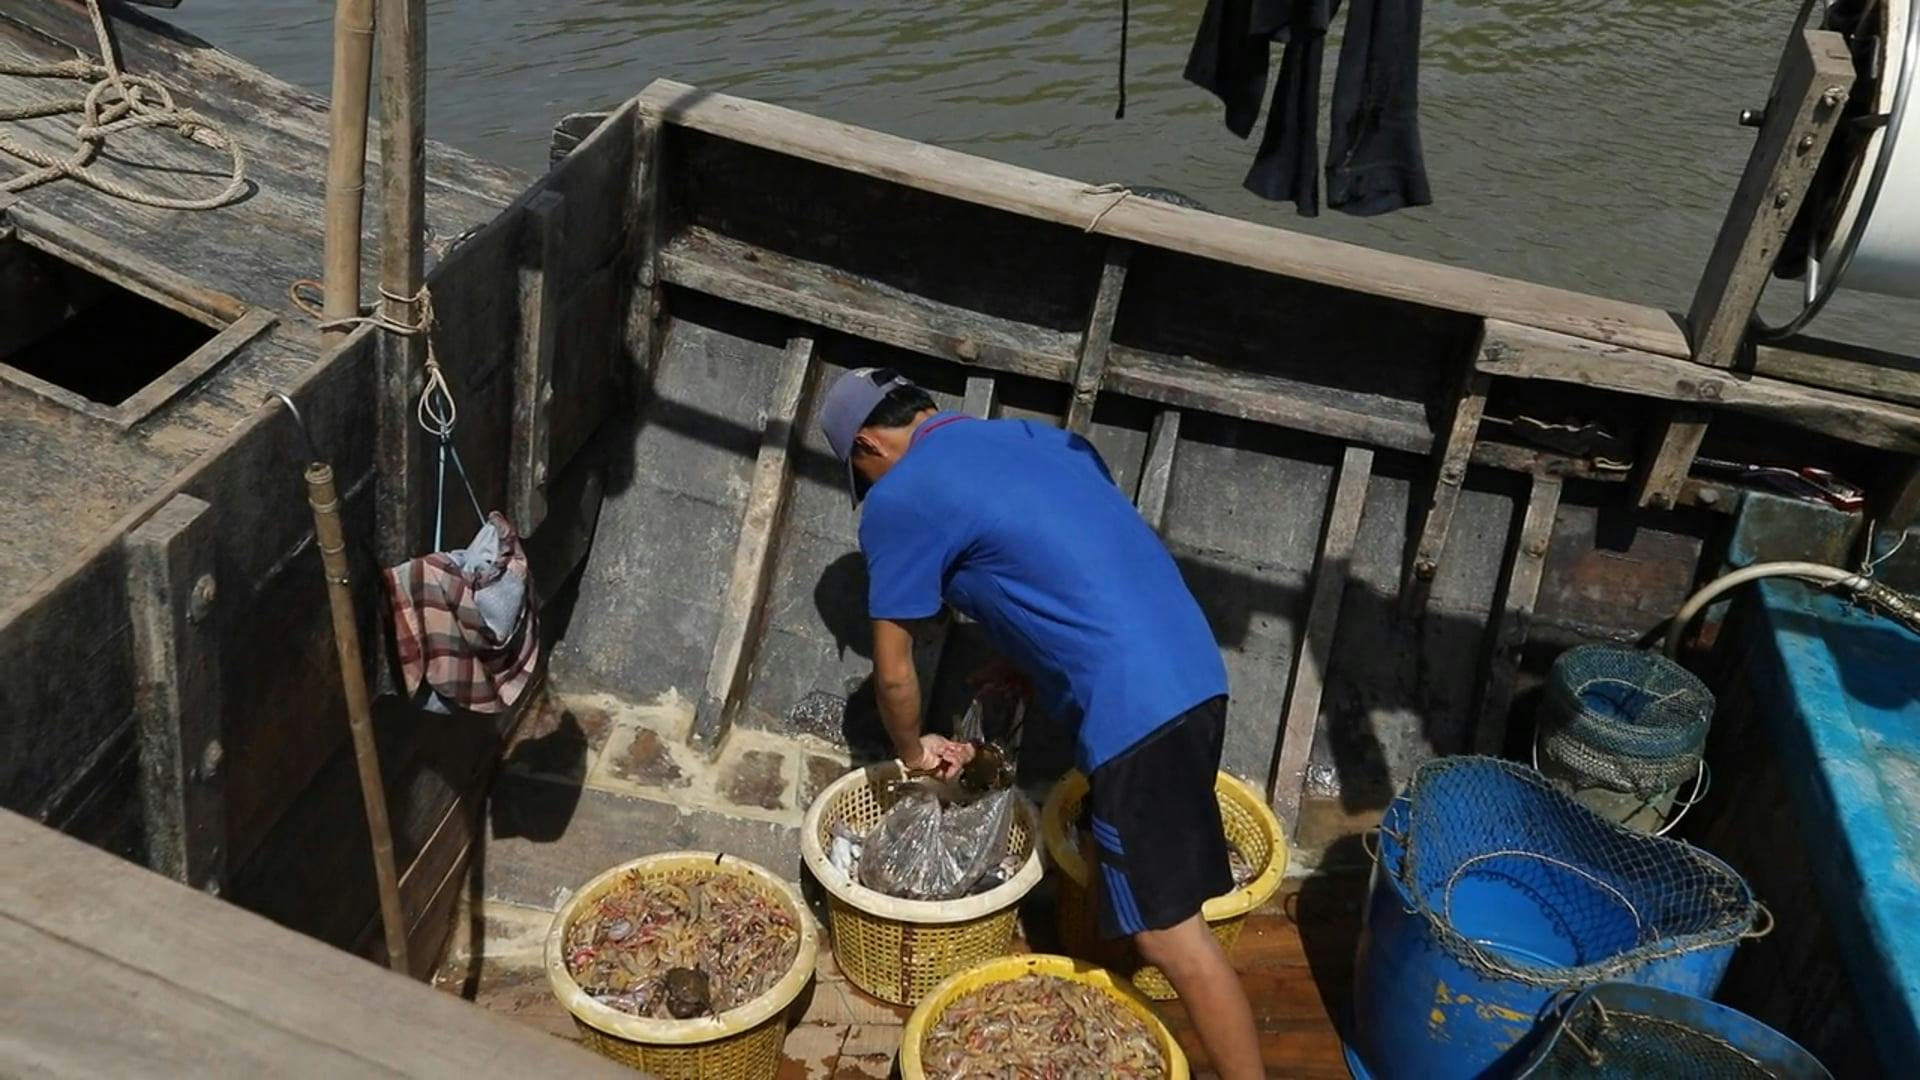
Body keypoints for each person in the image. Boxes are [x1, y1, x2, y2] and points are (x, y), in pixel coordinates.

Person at [818, 367, 1264, 1079]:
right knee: (1140, 885)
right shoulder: (1040, 439)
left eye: (863, 475)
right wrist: (1033, 662)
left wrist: (912, 749)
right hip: (1194, 674)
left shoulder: (898, 498)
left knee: (1170, 938)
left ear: (868, 445)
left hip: (1136, 712)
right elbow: (1073, 557)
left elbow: (895, 671)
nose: (871, 490)